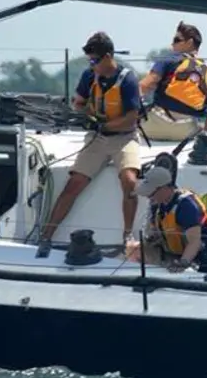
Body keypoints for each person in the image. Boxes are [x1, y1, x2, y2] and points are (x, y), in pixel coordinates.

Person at [37, 32, 142, 258]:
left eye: (94, 60)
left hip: (124, 138)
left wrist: (106, 125)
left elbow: (132, 117)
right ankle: (46, 236)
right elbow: (80, 103)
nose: (92, 65)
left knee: (130, 182)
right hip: (97, 139)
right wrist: (81, 111)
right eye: (90, 61)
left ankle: (128, 236)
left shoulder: (128, 79)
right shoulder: (89, 76)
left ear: (108, 57)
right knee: (74, 184)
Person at [139, 21, 207, 141]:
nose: (172, 44)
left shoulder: (169, 59)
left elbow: (146, 85)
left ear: (190, 43)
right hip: (186, 132)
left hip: (154, 127)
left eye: (176, 40)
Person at [134, 165, 207, 273]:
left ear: (165, 188)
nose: (148, 197)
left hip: (197, 260)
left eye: (151, 193)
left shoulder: (186, 206)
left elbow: (194, 243)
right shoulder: (158, 205)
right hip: (173, 255)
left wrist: (182, 263)